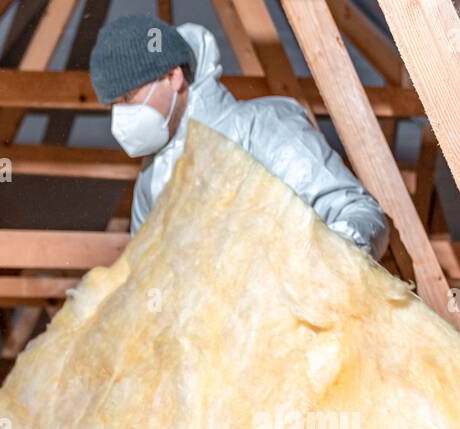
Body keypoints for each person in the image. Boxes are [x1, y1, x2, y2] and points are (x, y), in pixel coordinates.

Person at [90, 15, 389, 258]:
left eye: (128, 98)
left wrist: (325, 268)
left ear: (173, 77)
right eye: (112, 105)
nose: (121, 116)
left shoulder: (263, 130)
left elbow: (355, 212)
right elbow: (147, 276)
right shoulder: (152, 179)